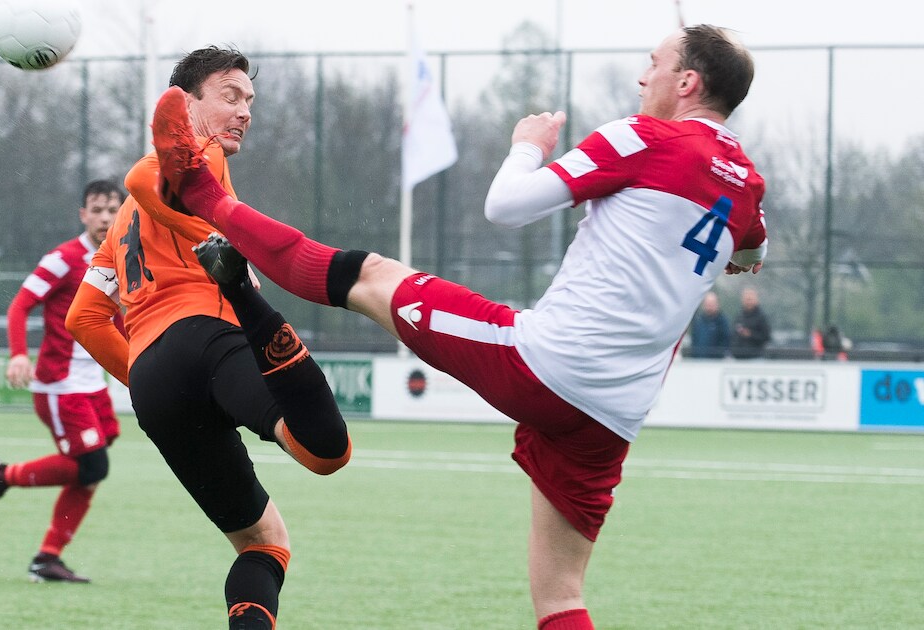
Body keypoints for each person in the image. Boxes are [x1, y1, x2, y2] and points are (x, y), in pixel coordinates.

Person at [151, 26, 766, 629]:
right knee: (561, 599)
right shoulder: (748, 185)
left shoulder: (642, 137)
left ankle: (200, 193)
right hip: (616, 413)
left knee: (365, 275)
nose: (642, 74)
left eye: (654, 63)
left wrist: (529, 144)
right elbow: (751, 253)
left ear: (686, 81)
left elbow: (506, 206)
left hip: (546, 366)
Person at [65, 46, 351, 629]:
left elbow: (84, 319)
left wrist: (148, 371)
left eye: (250, 100)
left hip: (153, 382)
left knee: (264, 543)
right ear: (184, 104)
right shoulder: (200, 163)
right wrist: (205, 219)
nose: (245, 111)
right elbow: (148, 177)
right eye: (230, 95)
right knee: (326, 451)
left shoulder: (118, 225)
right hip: (209, 340)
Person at [0, 180, 125, 583]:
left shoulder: (122, 258)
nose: (105, 217)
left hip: (93, 386)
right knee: (93, 465)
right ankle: (2, 476)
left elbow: (121, 317)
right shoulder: (64, 258)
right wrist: (19, 353)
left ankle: (47, 558)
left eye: (112, 209)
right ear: (83, 214)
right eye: (97, 209)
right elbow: (20, 305)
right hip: (60, 386)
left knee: (92, 469)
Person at [685, 291, 730, 358]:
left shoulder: (722, 322)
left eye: (712, 304)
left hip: (715, 363)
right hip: (697, 362)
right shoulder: (699, 321)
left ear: (717, 304)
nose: (709, 306)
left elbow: (725, 342)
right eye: (708, 304)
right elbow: (694, 340)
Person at [731, 287, 771, 359]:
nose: (748, 302)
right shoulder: (739, 316)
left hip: (755, 357)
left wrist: (751, 335)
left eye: (750, 299)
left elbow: (766, 337)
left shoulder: (761, 317)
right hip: (739, 357)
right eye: (746, 299)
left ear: (756, 300)